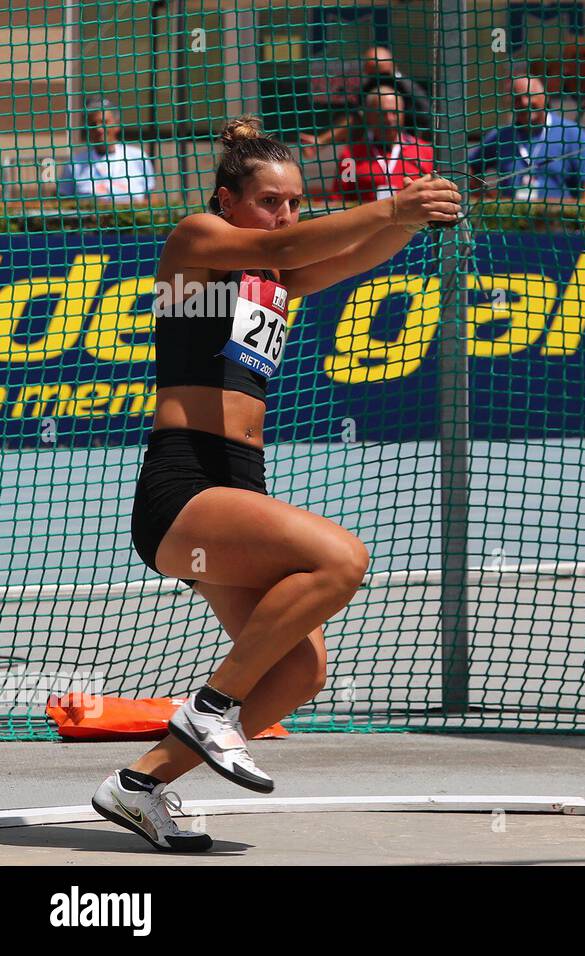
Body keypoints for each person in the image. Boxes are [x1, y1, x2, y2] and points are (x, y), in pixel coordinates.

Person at [90, 116, 460, 852]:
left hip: (238, 490)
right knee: (340, 559)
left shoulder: (272, 279)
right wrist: (392, 203)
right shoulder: (195, 241)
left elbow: (347, 258)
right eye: (269, 200)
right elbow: (288, 244)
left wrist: (414, 219)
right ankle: (212, 707)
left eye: (294, 201)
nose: (286, 215)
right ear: (228, 200)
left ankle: (137, 785)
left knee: (298, 670)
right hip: (182, 487)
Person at [467, 76, 585, 202]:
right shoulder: (501, 136)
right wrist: (487, 198)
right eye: (517, 99)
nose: (524, 102)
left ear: (545, 97)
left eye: (530, 96)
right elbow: (469, 168)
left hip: (559, 219)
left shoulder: (571, 133)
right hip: (511, 218)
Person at [300, 45, 434, 158]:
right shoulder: (368, 87)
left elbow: (427, 120)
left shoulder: (407, 88)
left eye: (383, 74)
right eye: (374, 74)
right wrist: (322, 141)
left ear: (392, 67)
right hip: (375, 148)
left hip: (407, 144)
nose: (380, 80)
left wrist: (420, 148)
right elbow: (355, 117)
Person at [329, 83, 437, 204]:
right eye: (382, 113)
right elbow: (340, 201)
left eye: (394, 112)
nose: (389, 119)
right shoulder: (350, 157)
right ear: (368, 116)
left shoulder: (425, 152)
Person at [55, 97, 158, 204]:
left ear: (116, 125)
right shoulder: (75, 164)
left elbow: (151, 198)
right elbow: (63, 203)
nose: (99, 129)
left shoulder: (138, 158)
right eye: (93, 124)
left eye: (104, 122)